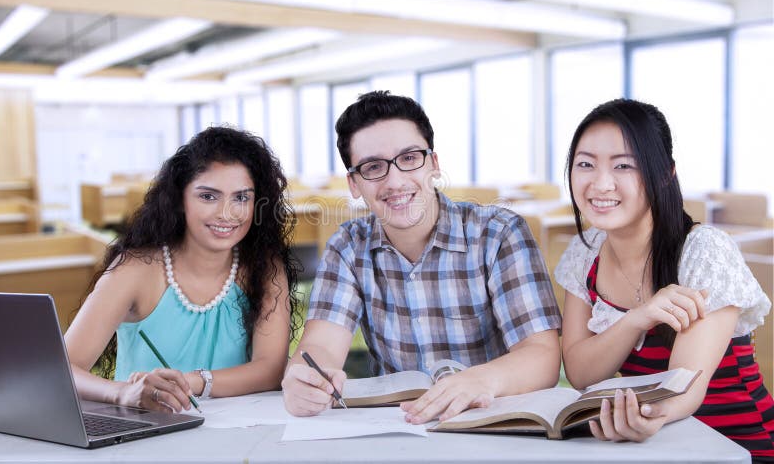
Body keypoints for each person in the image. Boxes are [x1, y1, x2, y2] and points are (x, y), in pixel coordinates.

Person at [282, 91, 562, 424]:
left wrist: (478, 380)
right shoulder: (348, 246)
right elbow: (321, 347)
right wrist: (304, 378)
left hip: (495, 422)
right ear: (354, 184)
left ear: (434, 164)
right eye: (373, 167)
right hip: (401, 428)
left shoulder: (499, 233)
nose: (396, 180)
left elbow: (543, 356)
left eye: (410, 158)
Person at [555, 98, 773, 460]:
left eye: (624, 165)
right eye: (585, 164)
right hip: (656, 449)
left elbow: (684, 390)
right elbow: (580, 372)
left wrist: (647, 417)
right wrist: (638, 318)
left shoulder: (703, 252)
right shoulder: (585, 252)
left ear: (663, 174)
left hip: (740, 446)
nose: (601, 183)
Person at [65, 126, 300, 413]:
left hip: (238, 435)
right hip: (146, 435)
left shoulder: (265, 267)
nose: (227, 213)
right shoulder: (136, 269)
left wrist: (192, 382)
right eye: (208, 197)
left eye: (241, 198)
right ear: (180, 199)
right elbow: (63, 369)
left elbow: (271, 370)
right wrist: (123, 393)